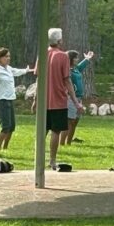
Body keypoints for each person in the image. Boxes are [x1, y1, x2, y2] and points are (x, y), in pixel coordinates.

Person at [40, 28, 83, 170]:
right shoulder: (63, 56)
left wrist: (35, 99)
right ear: (59, 41)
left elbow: (39, 77)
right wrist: (76, 102)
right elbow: (67, 80)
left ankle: (38, 158)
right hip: (58, 100)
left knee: (42, 131)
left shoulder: (43, 53)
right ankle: (52, 160)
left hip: (43, 100)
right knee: (56, 131)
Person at [0, 47, 33, 151]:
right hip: (2, 100)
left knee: (11, 127)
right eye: (5, 56)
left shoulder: (8, 68)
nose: (8, 58)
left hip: (10, 99)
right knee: (5, 126)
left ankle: (5, 148)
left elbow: (17, 71)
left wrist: (28, 70)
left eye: (9, 56)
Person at [61, 49, 94, 145]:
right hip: (71, 99)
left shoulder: (76, 69)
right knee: (69, 122)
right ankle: (62, 143)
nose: (77, 59)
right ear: (70, 59)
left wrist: (87, 59)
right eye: (75, 58)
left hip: (79, 98)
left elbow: (81, 66)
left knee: (75, 122)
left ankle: (69, 142)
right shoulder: (68, 71)